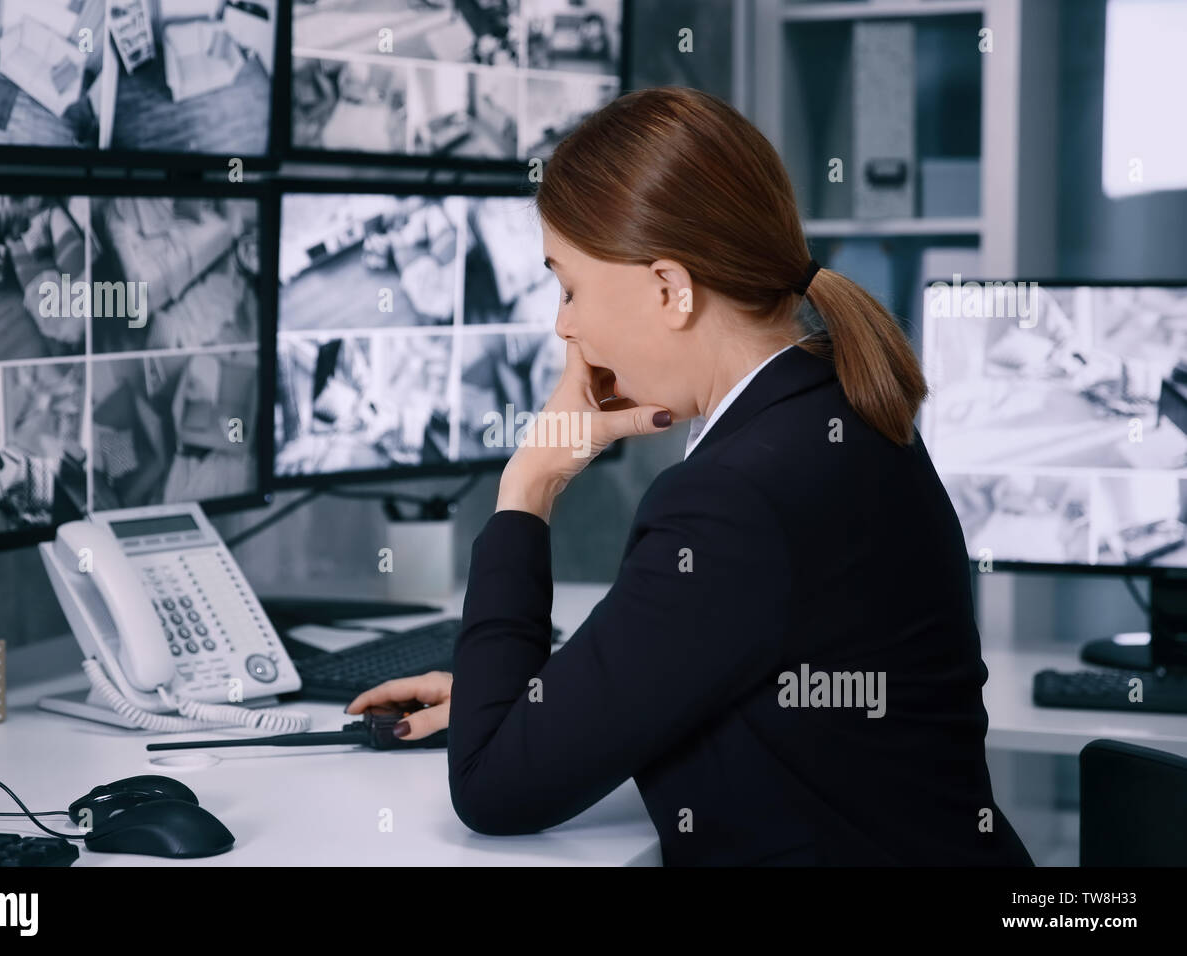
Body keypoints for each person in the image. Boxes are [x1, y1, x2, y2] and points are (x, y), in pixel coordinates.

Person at [346, 87, 1036, 866]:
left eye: (569, 287)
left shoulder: (732, 496)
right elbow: (722, 647)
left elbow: (493, 791)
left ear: (672, 289)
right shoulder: (832, 409)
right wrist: (526, 702)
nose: (562, 325)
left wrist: (528, 488)